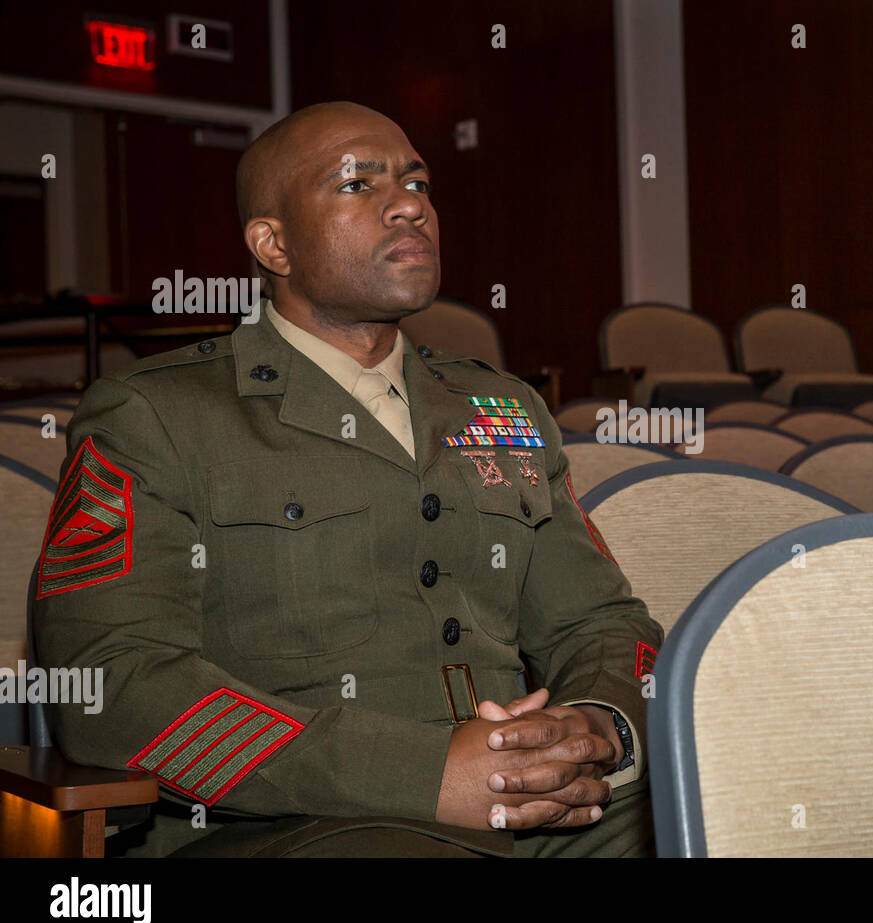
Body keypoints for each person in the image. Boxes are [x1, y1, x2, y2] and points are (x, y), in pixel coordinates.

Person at [32, 101, 663, 857]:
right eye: (358, 185)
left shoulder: (503, 406)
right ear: (274, 243)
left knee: (732, 820)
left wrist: (596, 726)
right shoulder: (155, 414)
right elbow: (115, 685)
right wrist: (423, 773)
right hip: (298, 824)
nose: (410, 205)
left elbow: (602, 622)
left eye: (417, 182)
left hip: (538, 807)